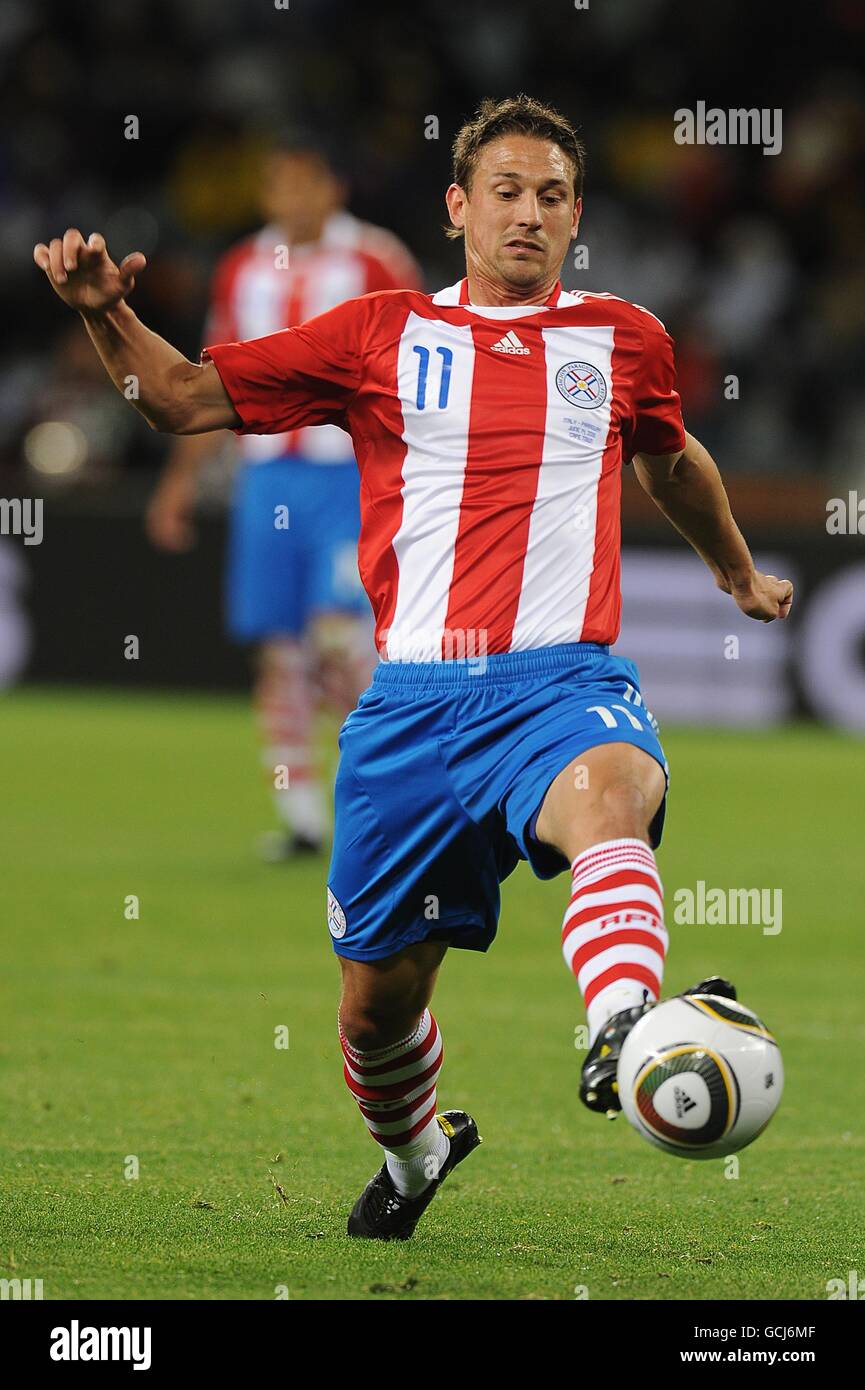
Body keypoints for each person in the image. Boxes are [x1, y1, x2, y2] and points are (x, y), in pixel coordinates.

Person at [34, 94, 793, 1242]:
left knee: (611, 796)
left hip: (557, 678)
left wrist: (735, 571)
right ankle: (417, 1151)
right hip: (407, 710)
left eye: (550, 196)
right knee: (375, 1006)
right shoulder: (376, 336)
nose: (528, 215)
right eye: (505, 192)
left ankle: (625, 1018)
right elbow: (182, 397)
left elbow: (671, 457)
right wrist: (106, 319)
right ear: (458, 207)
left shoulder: (624, 338)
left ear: (575, 213)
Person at [145, 136, 421, 856]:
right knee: (279, 653)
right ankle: (299, 812)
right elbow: (208, 384)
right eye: (279, 186)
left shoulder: (376, 260)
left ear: (333, 189)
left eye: (305, 184)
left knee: (337, 640)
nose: (292, 199)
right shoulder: (241, 267)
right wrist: (179, 484)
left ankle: (396, 792)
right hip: (267, 475)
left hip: (350, 475)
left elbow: (422, 366)